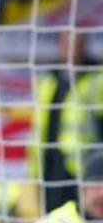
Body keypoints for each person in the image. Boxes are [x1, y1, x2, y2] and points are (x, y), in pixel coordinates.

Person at [30, 31, 101, 213]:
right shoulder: (47, 80)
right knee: (53, 214)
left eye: (76, 44)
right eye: (66, 44)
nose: (70, 50)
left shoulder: (96, 78)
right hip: (50, 163)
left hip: (84, 164)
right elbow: (38, 125)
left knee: (83, 215)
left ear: (84, 47)